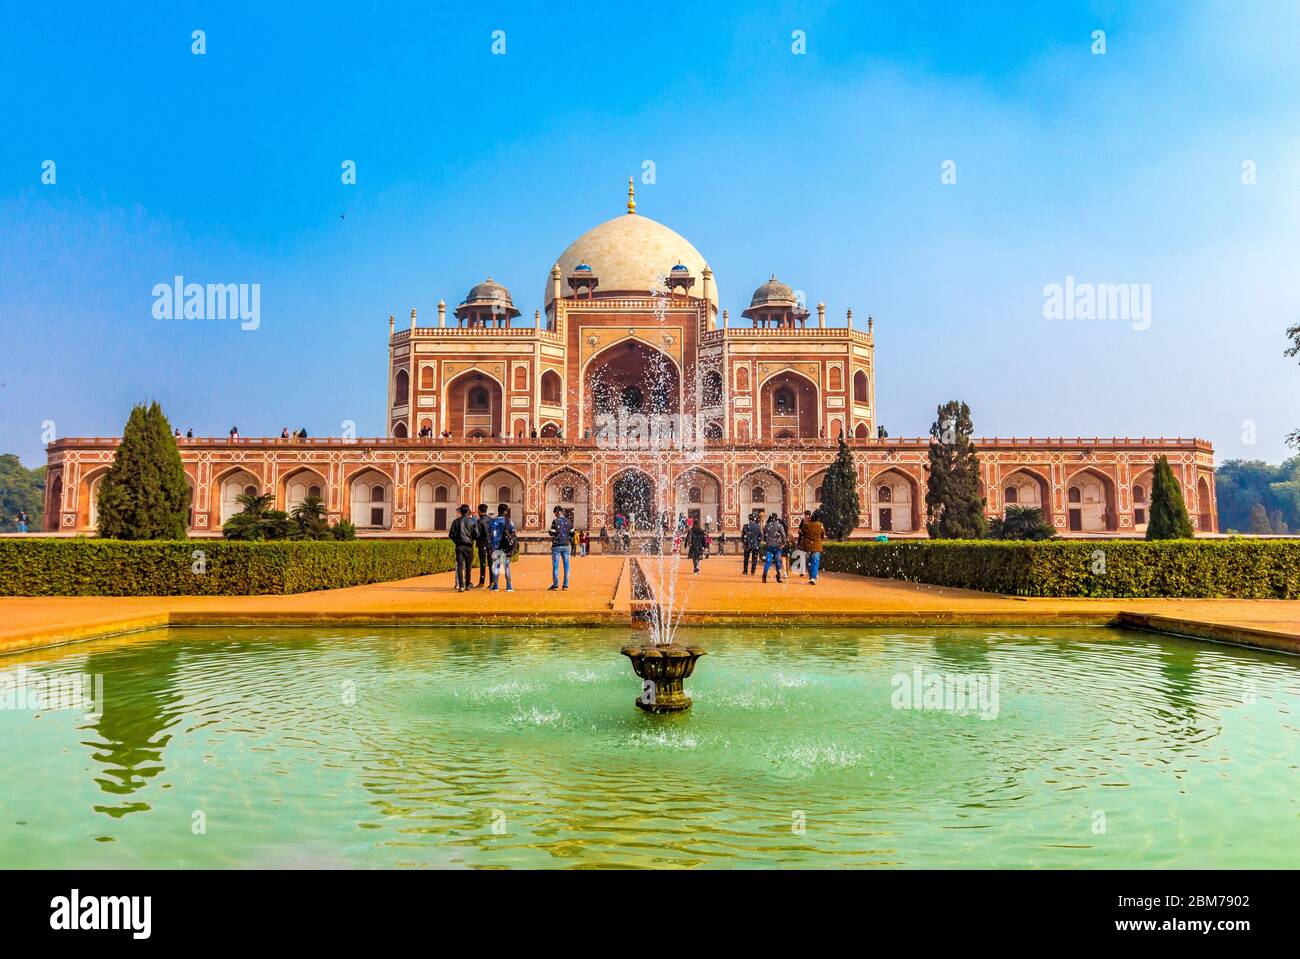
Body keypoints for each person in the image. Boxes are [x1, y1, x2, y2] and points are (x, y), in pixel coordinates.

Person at [488, 503, 516, 591]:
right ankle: (509, 586)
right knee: (506, 566)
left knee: (496, 566)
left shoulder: (493, 521)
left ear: (498, 510)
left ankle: (496, 586)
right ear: (505, 511)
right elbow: (513, 533)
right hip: (506, 547)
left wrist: (491, 546)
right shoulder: (508, 521)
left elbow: (490, 535)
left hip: (496, 547)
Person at [448, 504, 477, 592]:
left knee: (460, 566)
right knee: (468, 566)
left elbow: (451, 535)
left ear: (460, 511)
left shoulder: (456, 521)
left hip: (459, 546)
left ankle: (461, 586)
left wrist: (457, 542)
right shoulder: (472, 521)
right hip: (468, 546)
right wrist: (471, 539)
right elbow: (476, 534)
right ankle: (468, 585)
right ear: (468, 511)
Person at [799, 509, 826, 585]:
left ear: (811, 518)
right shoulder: (820, 525)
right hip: (817, 546)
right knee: (815, 562)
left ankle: (811, 576)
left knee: (809, 562)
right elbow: (822, 536)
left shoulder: (806, 524)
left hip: (807, 546)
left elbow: (802, 533)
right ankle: (813, 577)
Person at [549, 505, 572, 590]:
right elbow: (572, 533)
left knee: (556, 566)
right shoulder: (569, 521)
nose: (555, 515)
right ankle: (565, 585)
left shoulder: (555, 521)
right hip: (566, 546)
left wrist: (550, 532)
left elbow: (553, 533)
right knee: (566, 567)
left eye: (555, 513)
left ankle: (555, 585)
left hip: (557, 546)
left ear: (558, 512)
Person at [761, 513, 786, 583]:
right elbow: (784, 535)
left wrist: (767, 542)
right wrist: (784, 543)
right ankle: (778, 576)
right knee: (778, 562)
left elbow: (764, 536)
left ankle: (764, 575)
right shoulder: (779, 525)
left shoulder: (767, 525)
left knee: (768, 561)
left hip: (769, 546)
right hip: (778, 546)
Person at [474, 503, 491, 588]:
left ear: (479, 511)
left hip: (482, 544)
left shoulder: (479, 521)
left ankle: (481, 583)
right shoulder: (491, 520)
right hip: (491, 544)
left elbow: (478, 534)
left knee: (483, 563)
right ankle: (492, 583)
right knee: (491, 564)